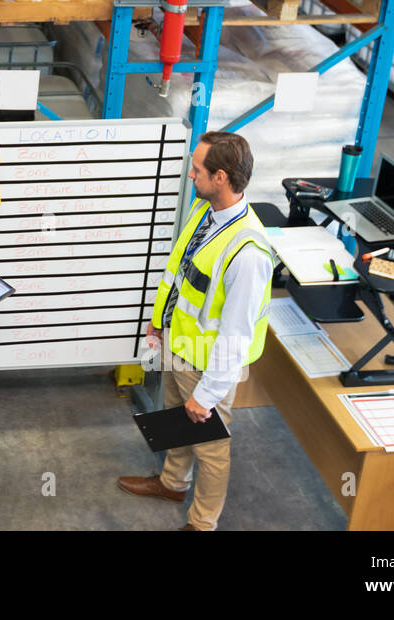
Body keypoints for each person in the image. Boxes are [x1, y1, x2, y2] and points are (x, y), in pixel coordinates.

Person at [118, 131, 276, 531]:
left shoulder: (248, 253)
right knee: (174, 418)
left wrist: (206, 394)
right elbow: (180, 274)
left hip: (207, 366)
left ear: (220, 177)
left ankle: (203, 523)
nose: (191, 175)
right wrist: (160, 323)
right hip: (178, 345)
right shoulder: (206, 212)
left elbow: (236, 336)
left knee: (212, 448)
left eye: (198, 169)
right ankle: (172, 483)